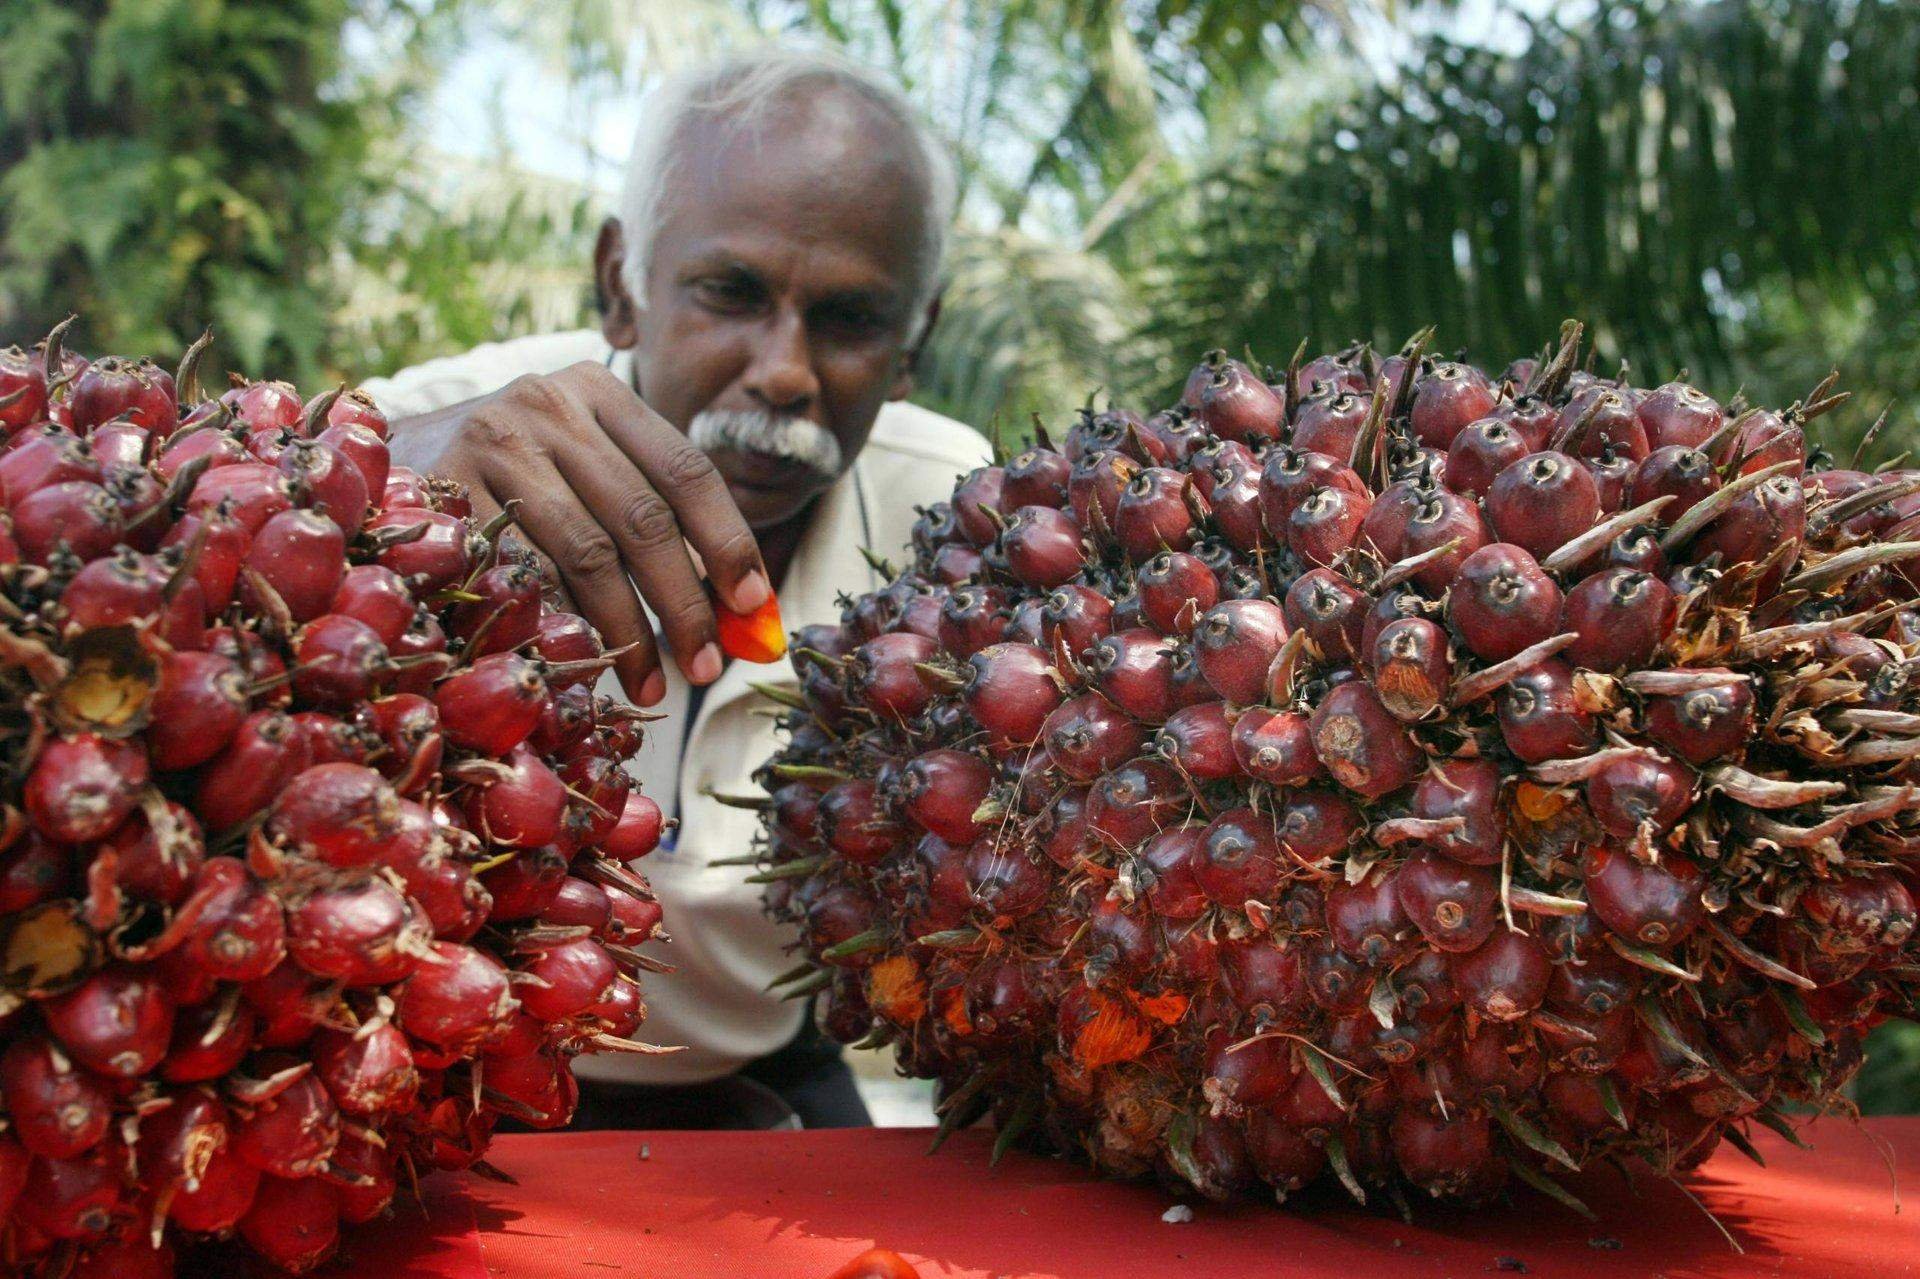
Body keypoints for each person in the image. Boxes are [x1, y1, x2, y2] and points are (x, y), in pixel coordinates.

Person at [366, 49, 991, 1128]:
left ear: (912, 347)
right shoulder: (449, 432)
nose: (785, 370)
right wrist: (380, 490)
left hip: (756, 1077)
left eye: (848, 320)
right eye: (731, 293)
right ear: (622, 285)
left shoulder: (954, 517)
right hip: (447, 1073)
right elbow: (171, 501)